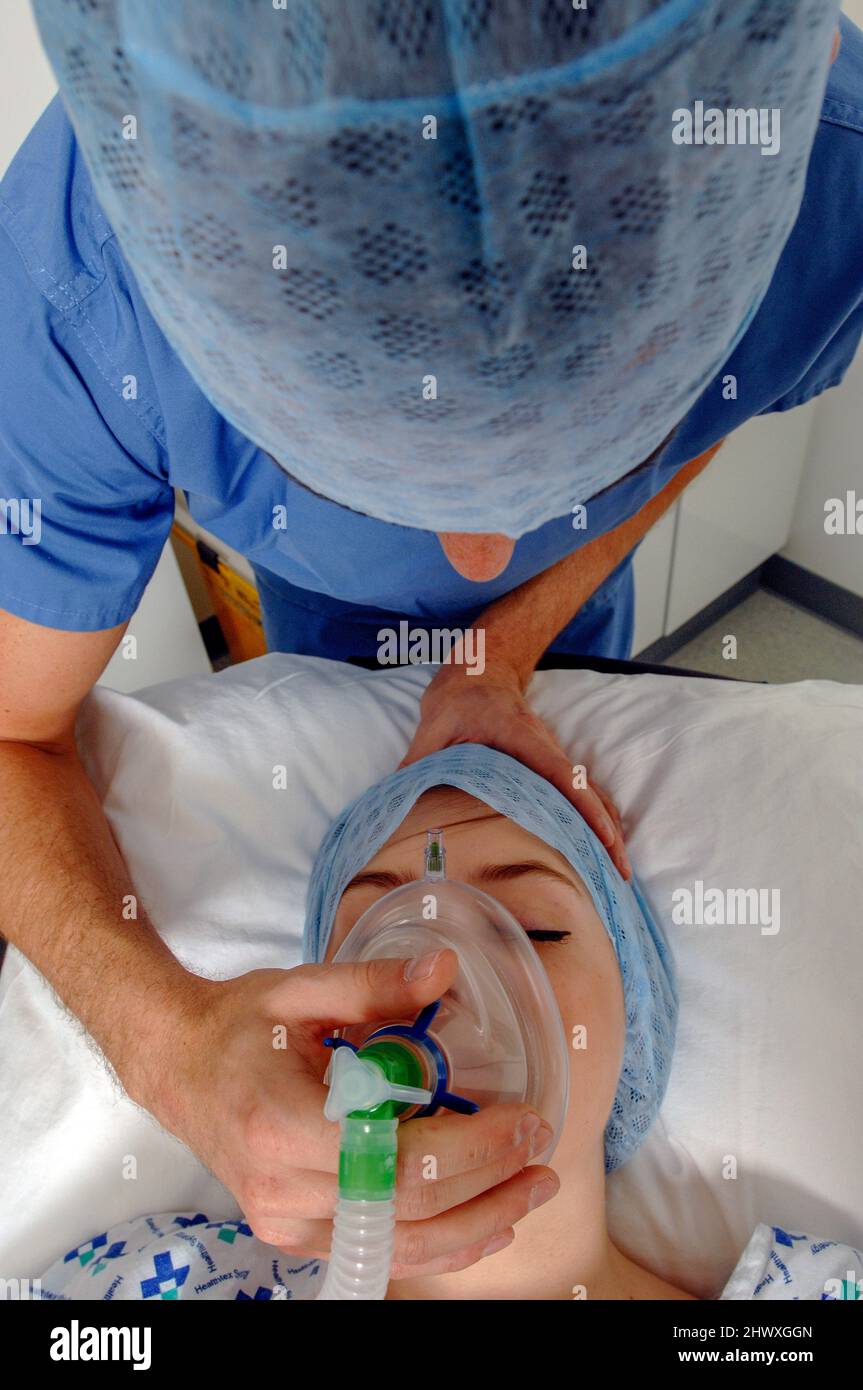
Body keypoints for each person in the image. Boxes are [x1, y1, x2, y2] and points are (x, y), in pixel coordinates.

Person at [0, 2, 859, 1281]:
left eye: (594, 453)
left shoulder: (820, 186)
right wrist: (170, 1050)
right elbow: (12, 735)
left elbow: (727, 394)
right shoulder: (78, 303)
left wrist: (509, 646)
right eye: (374, 927)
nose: (480, 556)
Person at [35, 746, 861, 1300]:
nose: (443, 968)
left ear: (637, 1011)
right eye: (380, 937)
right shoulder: (163, 1280)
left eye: (534, 928)